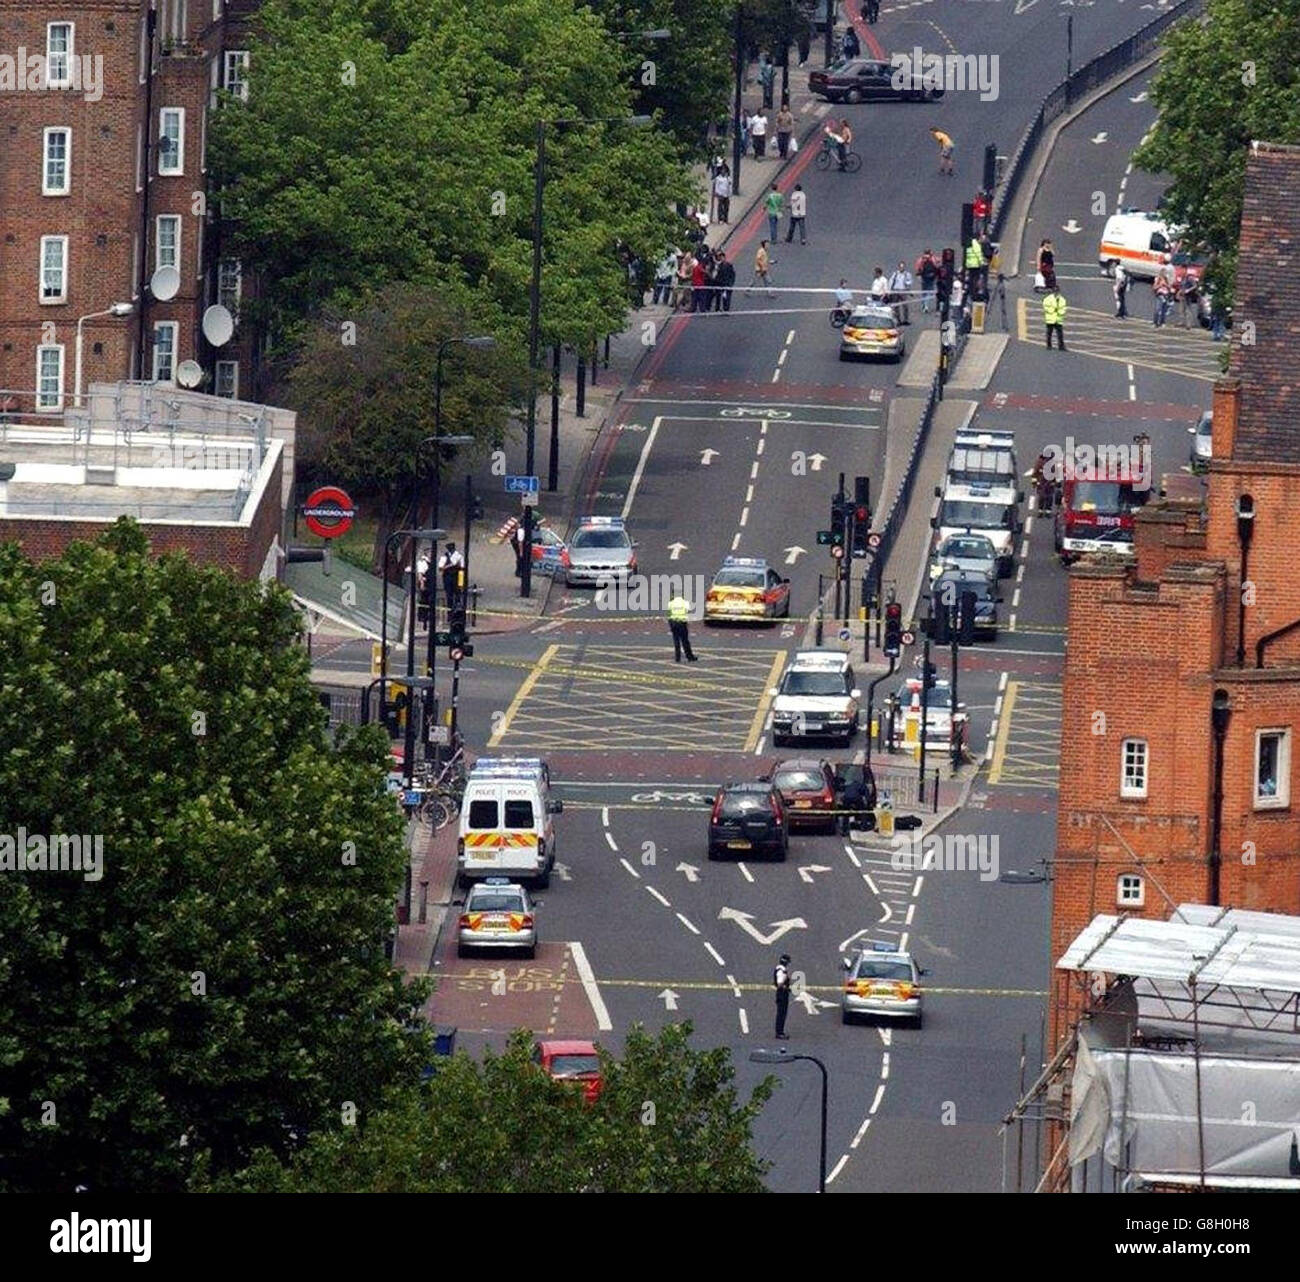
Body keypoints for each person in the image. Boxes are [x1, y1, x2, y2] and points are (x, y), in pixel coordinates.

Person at [667, 594, 697, 662]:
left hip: (673, 622)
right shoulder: (685, 603)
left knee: (676, 640)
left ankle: (677, 658)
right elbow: (688, 611)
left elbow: (669, 612)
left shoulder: (671, 603)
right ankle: (689, 657)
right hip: (682, 623)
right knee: (685, 641)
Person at [773, 954, 792, 1039]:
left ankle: (780, 1031)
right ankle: (779, 1032)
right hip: (782, 994)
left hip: (781, 994)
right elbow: (780, 982)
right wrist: (784, 987)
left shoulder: (779, 969)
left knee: (781, 1013)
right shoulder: (782, 971)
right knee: (781, 1014)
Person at [889, 260, 913, 324]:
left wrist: (908, 288)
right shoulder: (895, 274)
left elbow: (909, 282)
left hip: (903, 291)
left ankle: (905, 320)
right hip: (895, 290)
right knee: (896, 306)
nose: (901, 268)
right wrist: (889, 290)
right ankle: (898, 320)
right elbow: (891, 281)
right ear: (898, 267)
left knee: (905, 306)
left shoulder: (907, 274)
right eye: (900, 267)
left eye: (903, 267)